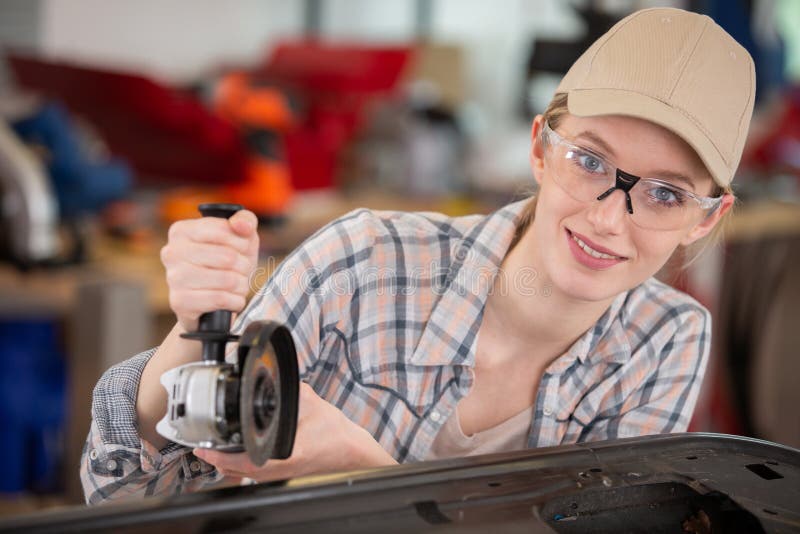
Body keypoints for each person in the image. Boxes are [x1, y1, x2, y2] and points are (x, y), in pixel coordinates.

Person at [80, 7, 755, 503]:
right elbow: (129, 493)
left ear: (707, 218)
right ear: (540, 149)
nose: (609, 218)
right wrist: (189, 337)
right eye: (588, 160)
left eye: (666, 194)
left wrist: (368, 475)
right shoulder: (363, 263)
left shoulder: (666, 340)